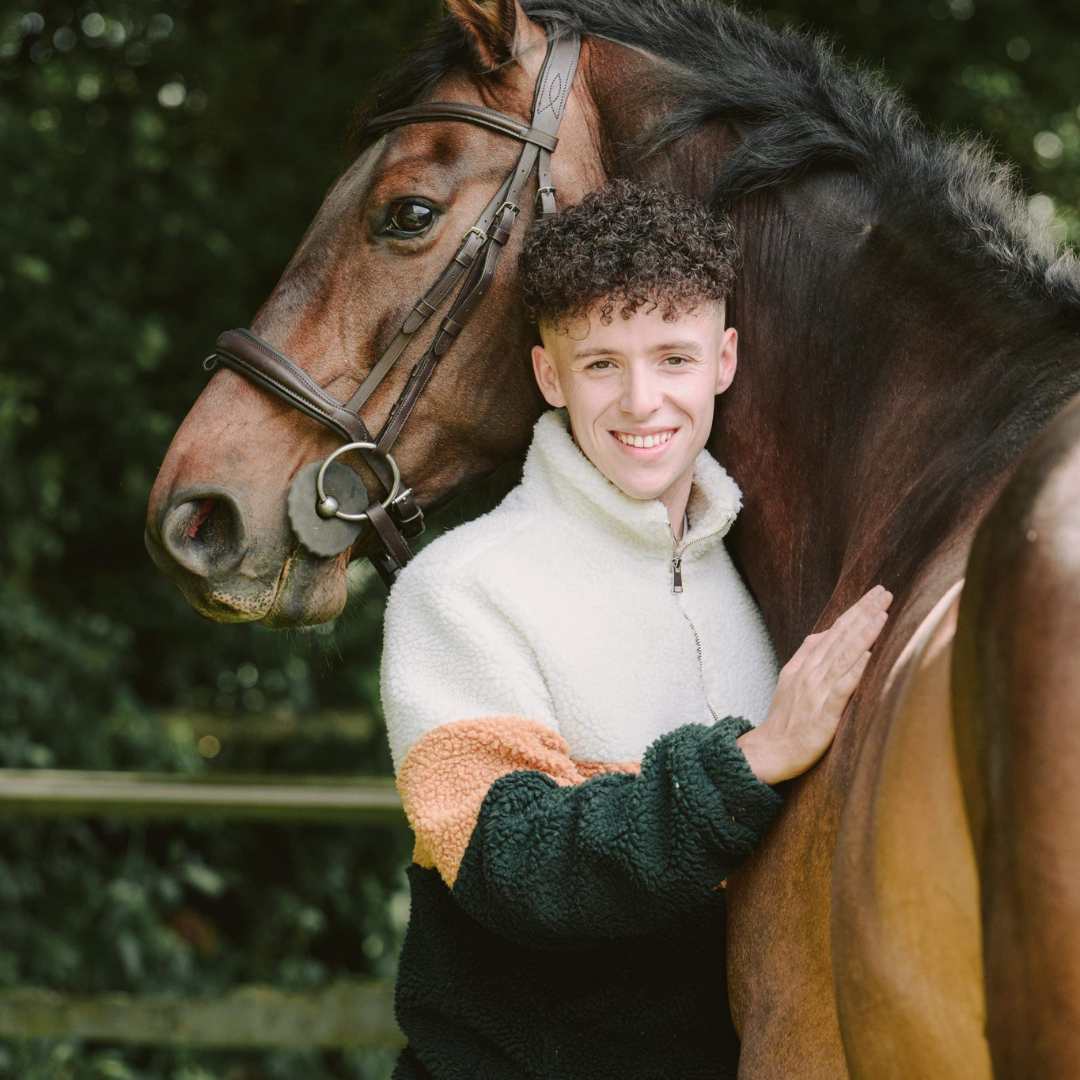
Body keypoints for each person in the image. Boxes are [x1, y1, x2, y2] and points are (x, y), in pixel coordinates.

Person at [379, 177, 891, 1080]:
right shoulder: (461, 587)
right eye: (602, 364)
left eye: (674, 358)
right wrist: (753, 761)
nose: (643, 401)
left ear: (725, 360)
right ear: (550, 375)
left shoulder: (754, 580)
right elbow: (518, 864)